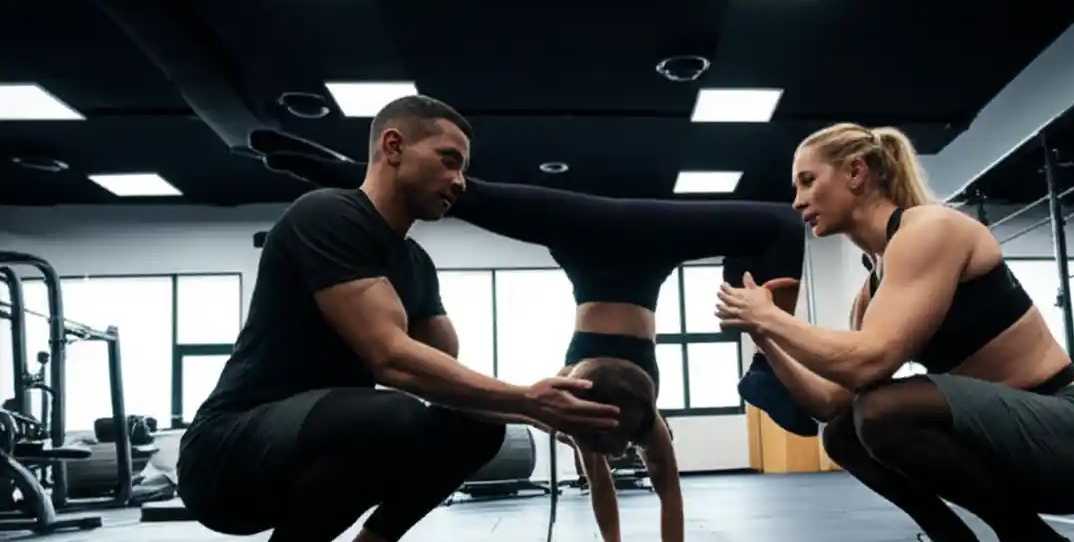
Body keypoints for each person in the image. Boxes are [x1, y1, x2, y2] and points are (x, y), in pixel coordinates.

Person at [176, 95, 621, 542]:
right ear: (393, 147)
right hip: (227, 455)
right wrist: (526, 399)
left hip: (314, 441)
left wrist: (542, 408)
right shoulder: (327, 215)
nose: (460, 180)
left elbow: (442, 373)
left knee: (474, 428)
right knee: (393, 415)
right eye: (448, 160)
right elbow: (393, 361)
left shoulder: (414, 265)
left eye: (463, 167)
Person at [715, 123, 1074, 542]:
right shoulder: (873, 289)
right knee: (845, 432)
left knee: (884, 410)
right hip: (1011, 446)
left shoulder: (931, 230)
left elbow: (871, 359)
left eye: (808, 180)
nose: (798, 199)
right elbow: (830, 401)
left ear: (855, 172)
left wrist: (772, 316)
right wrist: (764, 334)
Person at [258, 150, 819, 438]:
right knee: (778, 224)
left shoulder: (578, 378)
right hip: (639, 237)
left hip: (596, 232)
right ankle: (765, 364)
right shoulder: (632, 403)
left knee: (467, 194)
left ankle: (326, 166)